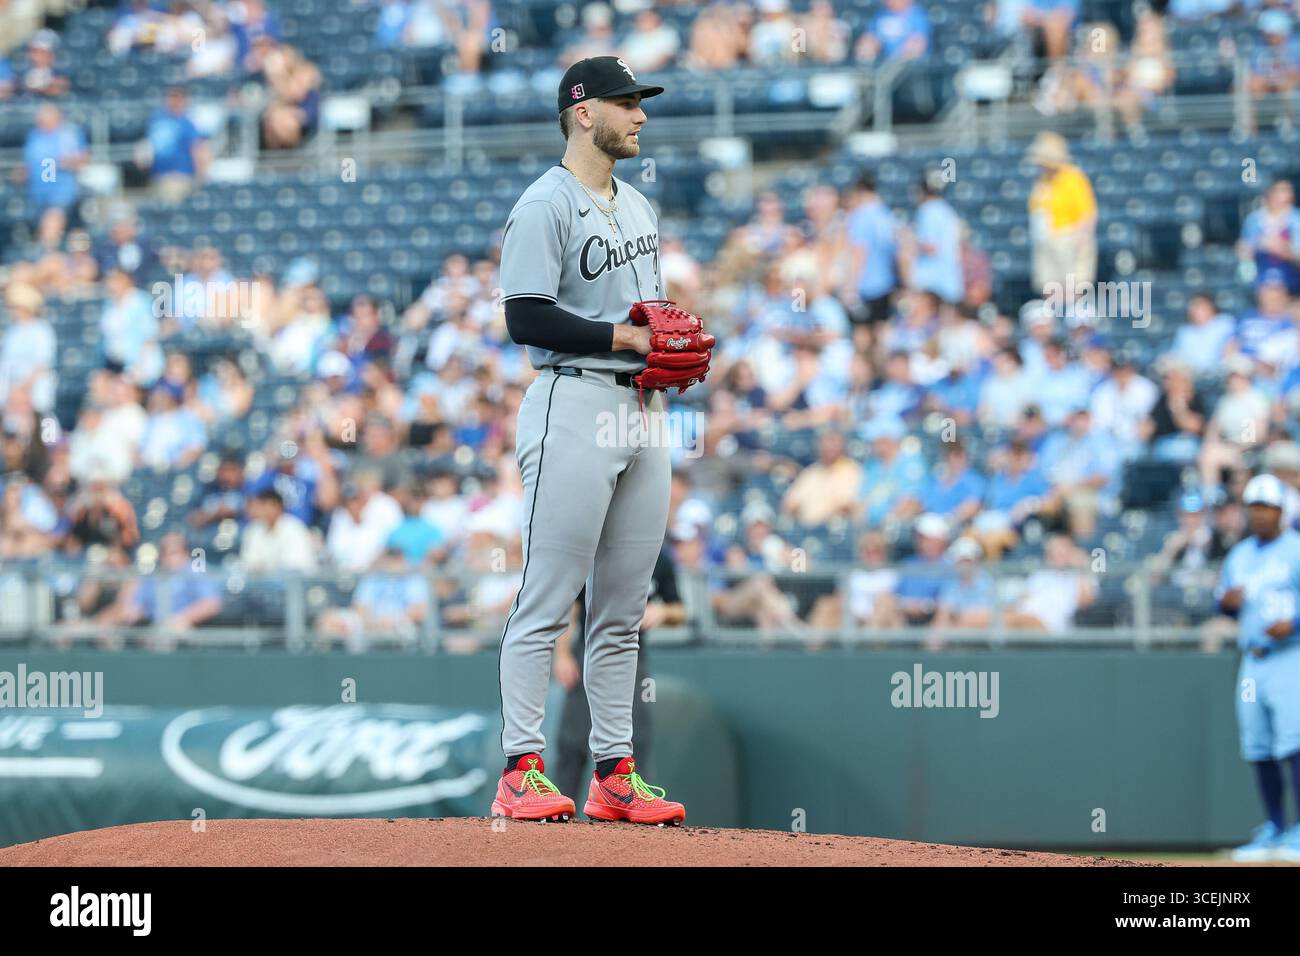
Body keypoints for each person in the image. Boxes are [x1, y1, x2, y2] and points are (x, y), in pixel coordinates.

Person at [492, 57, 689, 825]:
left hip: (640, 411)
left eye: (640, 104)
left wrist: (667, 350)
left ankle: (613, 771)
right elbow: (526, 317)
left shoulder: (638, 207)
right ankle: (520, 766)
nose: (639, 116)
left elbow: (651, 318)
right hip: (570, 398)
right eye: (626, 103)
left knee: (622, 611)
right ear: (583, 112)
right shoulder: (544, 205)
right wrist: (624, 337)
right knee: (547, 597)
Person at [551, 539, 684, 801]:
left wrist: (663, 611)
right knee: (573, 739)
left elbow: (679, 609)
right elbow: (571, 608)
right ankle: (562, 805)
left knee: (637, 736)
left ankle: (635, 804)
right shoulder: (595, 551)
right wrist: (563, 655)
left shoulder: (660, 557)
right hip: (588, 650)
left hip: (633, 653)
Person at [1216, 474, 1300, 862]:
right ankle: (1274, 827)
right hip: (1253, 658)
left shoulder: (1295, 550)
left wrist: (1296, 623)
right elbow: (1223, 606)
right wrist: (1228, 603)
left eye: (1266, 507)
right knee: (1258, 744)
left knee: (1294, 742)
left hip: (1291, 654)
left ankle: (1297, 832)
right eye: (1254, 508)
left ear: (1281, 511)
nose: (1260, 515)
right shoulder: (1240, 555)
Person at [1026, 132, 1097, 299]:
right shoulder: (1042, 180)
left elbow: (1087, 212)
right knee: (1049, 287)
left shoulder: (1073, 178)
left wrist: (1083, 238)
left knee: (1071, 288)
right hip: (1045, 237)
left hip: (1068, 236)